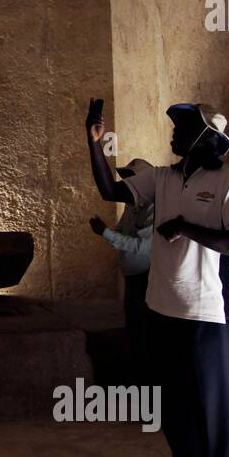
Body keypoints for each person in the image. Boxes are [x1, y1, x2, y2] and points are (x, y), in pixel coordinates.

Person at [85, 98, 229, 457]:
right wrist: (95, 143)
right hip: (162, 309)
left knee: (214, 410)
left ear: (205, 139)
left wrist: (185, 227)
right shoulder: (161, 179)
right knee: (171, 403)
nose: (173, 136)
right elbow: (111, 191)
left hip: (209, 315)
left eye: (183, 130)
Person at [88, 157, 155, 382]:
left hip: (146, 278)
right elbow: (122, 234)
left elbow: (142, 247)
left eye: (131, 179)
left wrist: (106, 233)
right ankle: (138, 382)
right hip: (133, 277)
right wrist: (107, 233)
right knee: (135, 331)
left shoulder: (153, 208)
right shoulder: (132, 206)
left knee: (145, 334)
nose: (127, 184)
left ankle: (147, 387)